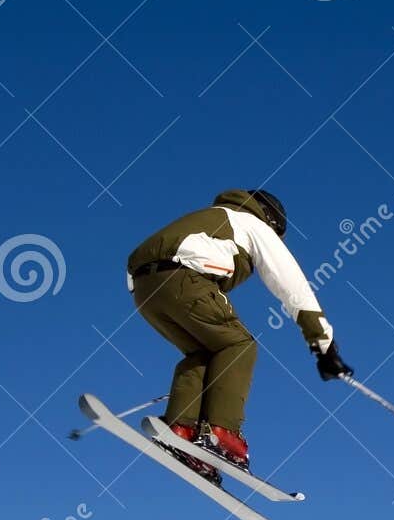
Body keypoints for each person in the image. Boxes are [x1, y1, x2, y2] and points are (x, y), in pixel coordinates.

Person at [126, 189, 352, 477]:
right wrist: (324, 345)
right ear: (271, 219)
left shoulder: (215, 217)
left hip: (144, 290)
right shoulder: (253, 224)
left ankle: (182, 429)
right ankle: (222, 435)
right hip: (184, 277)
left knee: (204, 352)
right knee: (239, 346)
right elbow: (292, 286)